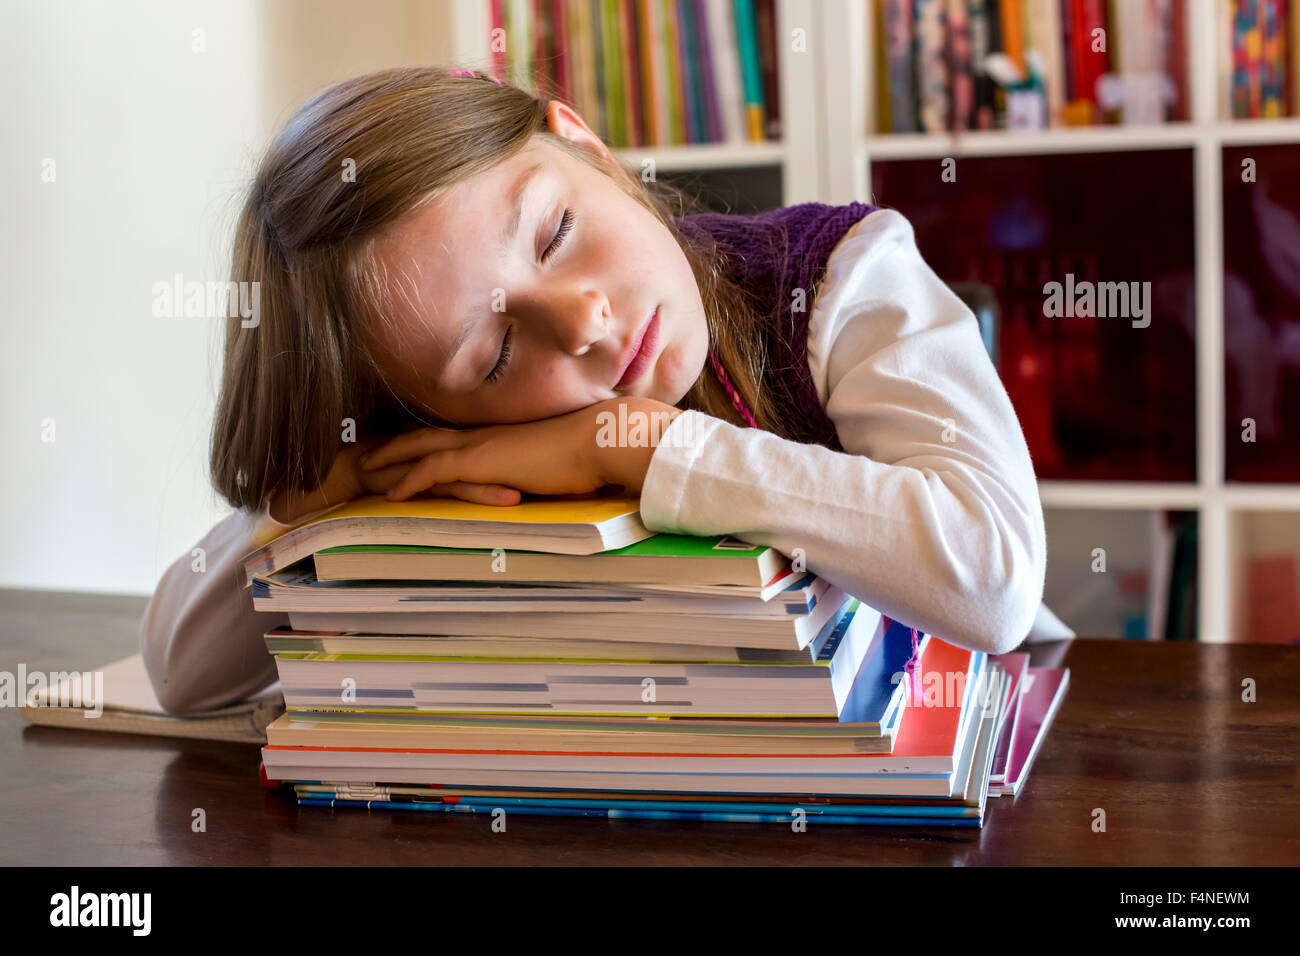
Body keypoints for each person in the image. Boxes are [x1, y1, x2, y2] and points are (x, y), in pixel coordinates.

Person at [140, 65, 1072, 714]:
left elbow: (989, 583)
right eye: (496, 354)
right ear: (434, 410)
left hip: (975, 736)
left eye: (552, 235)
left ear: (586, 147)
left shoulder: (843, 280)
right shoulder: (450, 445)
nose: (583, 322)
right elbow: (183, 671)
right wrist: (348, 481)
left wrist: (628, 442)